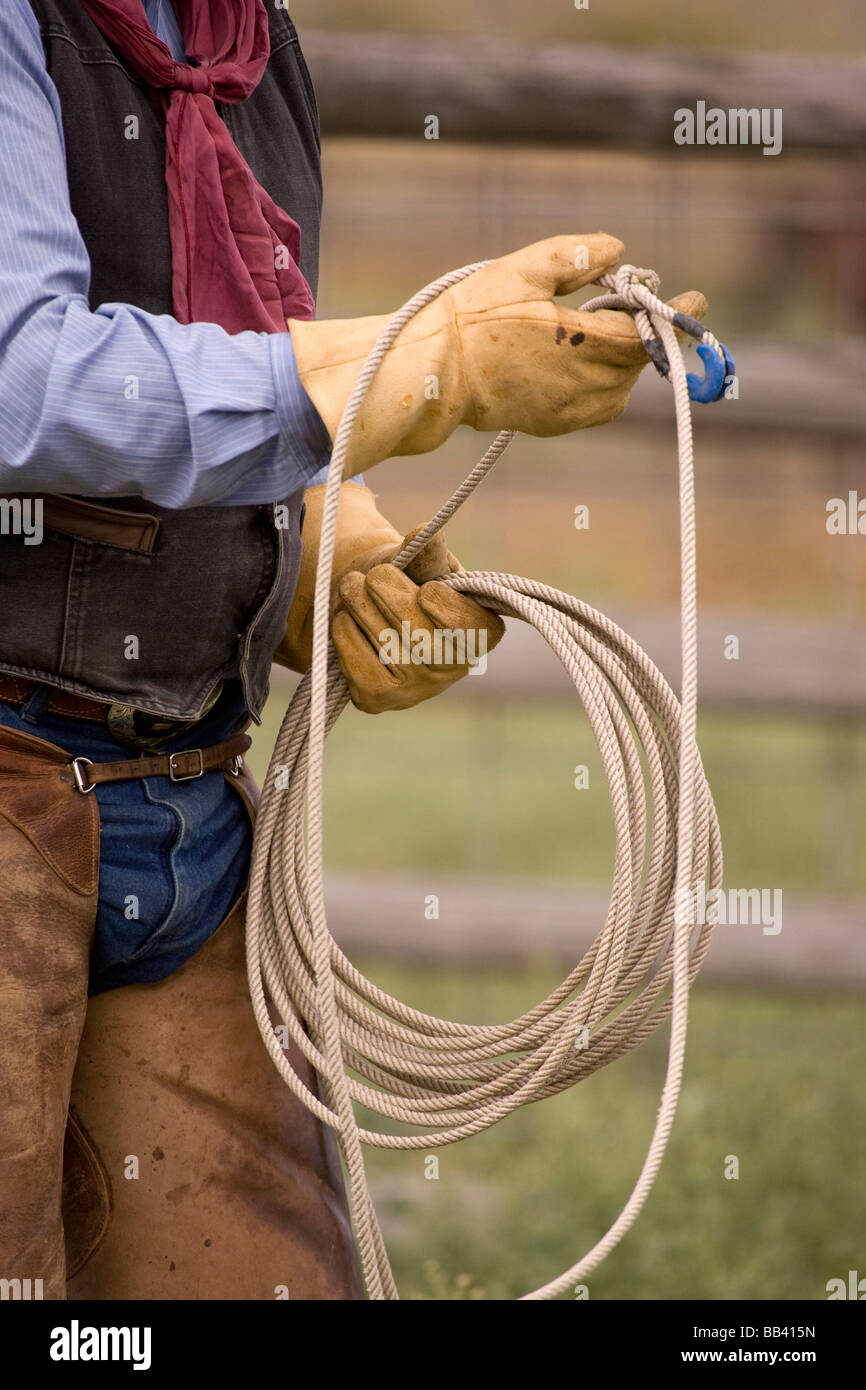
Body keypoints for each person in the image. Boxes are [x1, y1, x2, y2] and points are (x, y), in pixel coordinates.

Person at [0, 0, 706, 1300]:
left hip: (183, 810)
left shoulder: (247, 41)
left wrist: (323, 560)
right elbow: (19, 379)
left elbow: (217, 346)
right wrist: (421, 367)